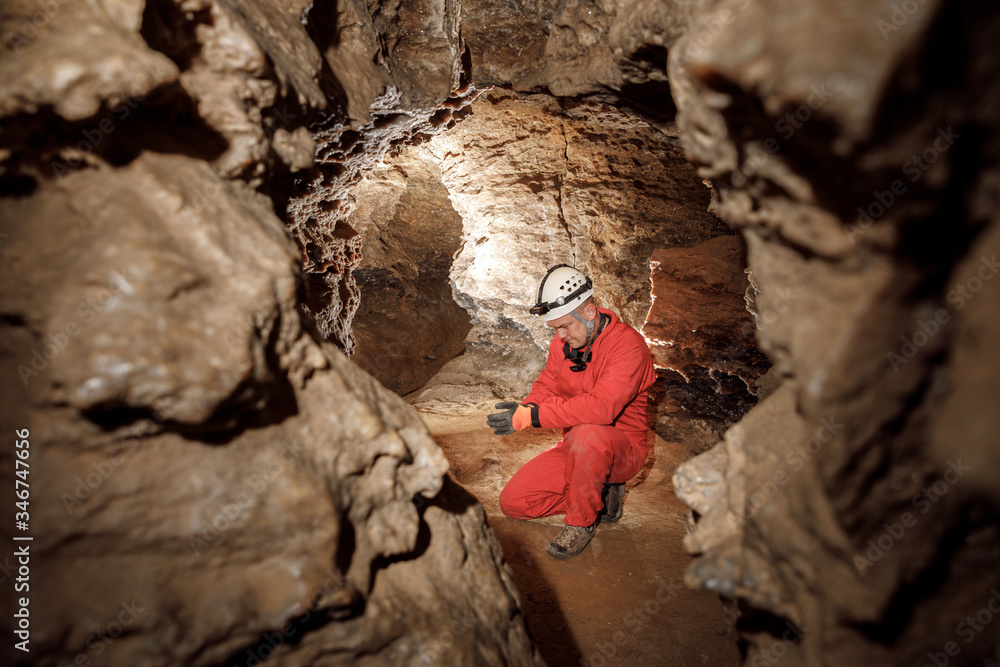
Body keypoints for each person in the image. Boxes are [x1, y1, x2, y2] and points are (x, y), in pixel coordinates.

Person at [487, 264, 656, 558]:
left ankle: (580, 524)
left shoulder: (628, 346)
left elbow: (601, 408)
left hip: (621, 450)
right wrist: (527, 407)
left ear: (589, 312)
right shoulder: (563, 342)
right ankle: (602, 494)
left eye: (565, 326)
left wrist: (534, 417)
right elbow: (548, 384)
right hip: (576, 446)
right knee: (514, 503)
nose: (561, 335)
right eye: (555, 329)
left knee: (588, 433)